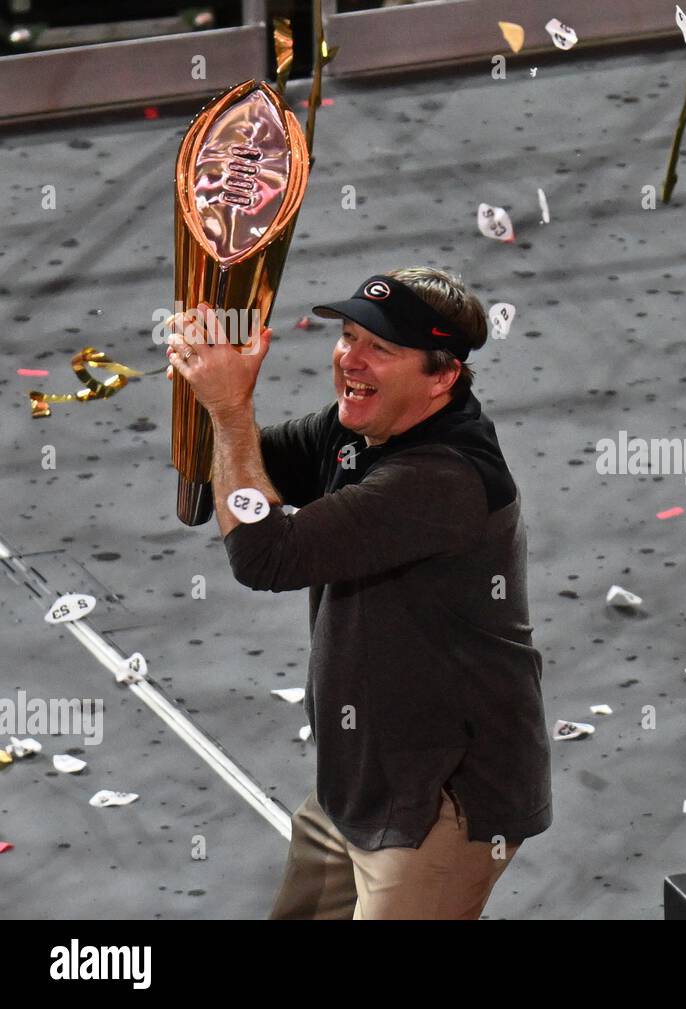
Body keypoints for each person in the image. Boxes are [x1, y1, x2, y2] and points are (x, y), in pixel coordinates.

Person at [163, 267, 552, 919]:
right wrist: (205, 365)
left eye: (381, 348)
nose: (350, 358)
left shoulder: (442, 479)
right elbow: (220, 481)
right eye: (347, 335)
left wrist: (228, 408)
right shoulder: (357, 431)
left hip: (440, 802)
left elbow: (264, 553)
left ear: (442, 376)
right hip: (360, 779)